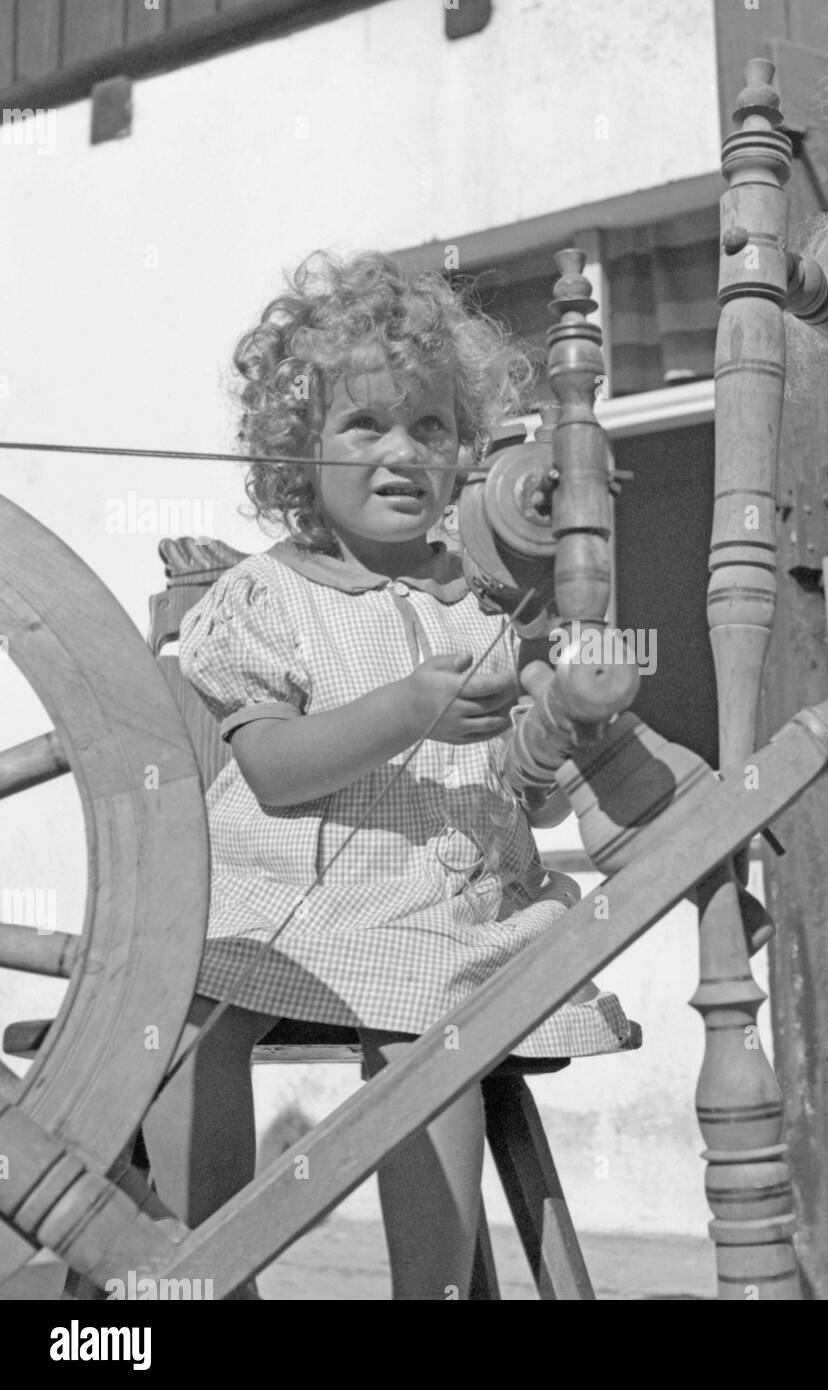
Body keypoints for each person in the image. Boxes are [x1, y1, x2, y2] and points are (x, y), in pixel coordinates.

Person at [140, 250, 633, 1300]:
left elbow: (516, 785)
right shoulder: (268, 596)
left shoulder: (481, 610)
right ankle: (206, 1273)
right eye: (364, 426)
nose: (401, 451)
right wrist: (407, 706)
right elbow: (271, 769)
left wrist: (549, 733)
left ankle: (431, 1290)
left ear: (463, 456)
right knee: (179, 1015)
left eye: (431, 426)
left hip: (426, 902)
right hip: (271, 889)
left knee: (432, 1033)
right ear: (297, 453)